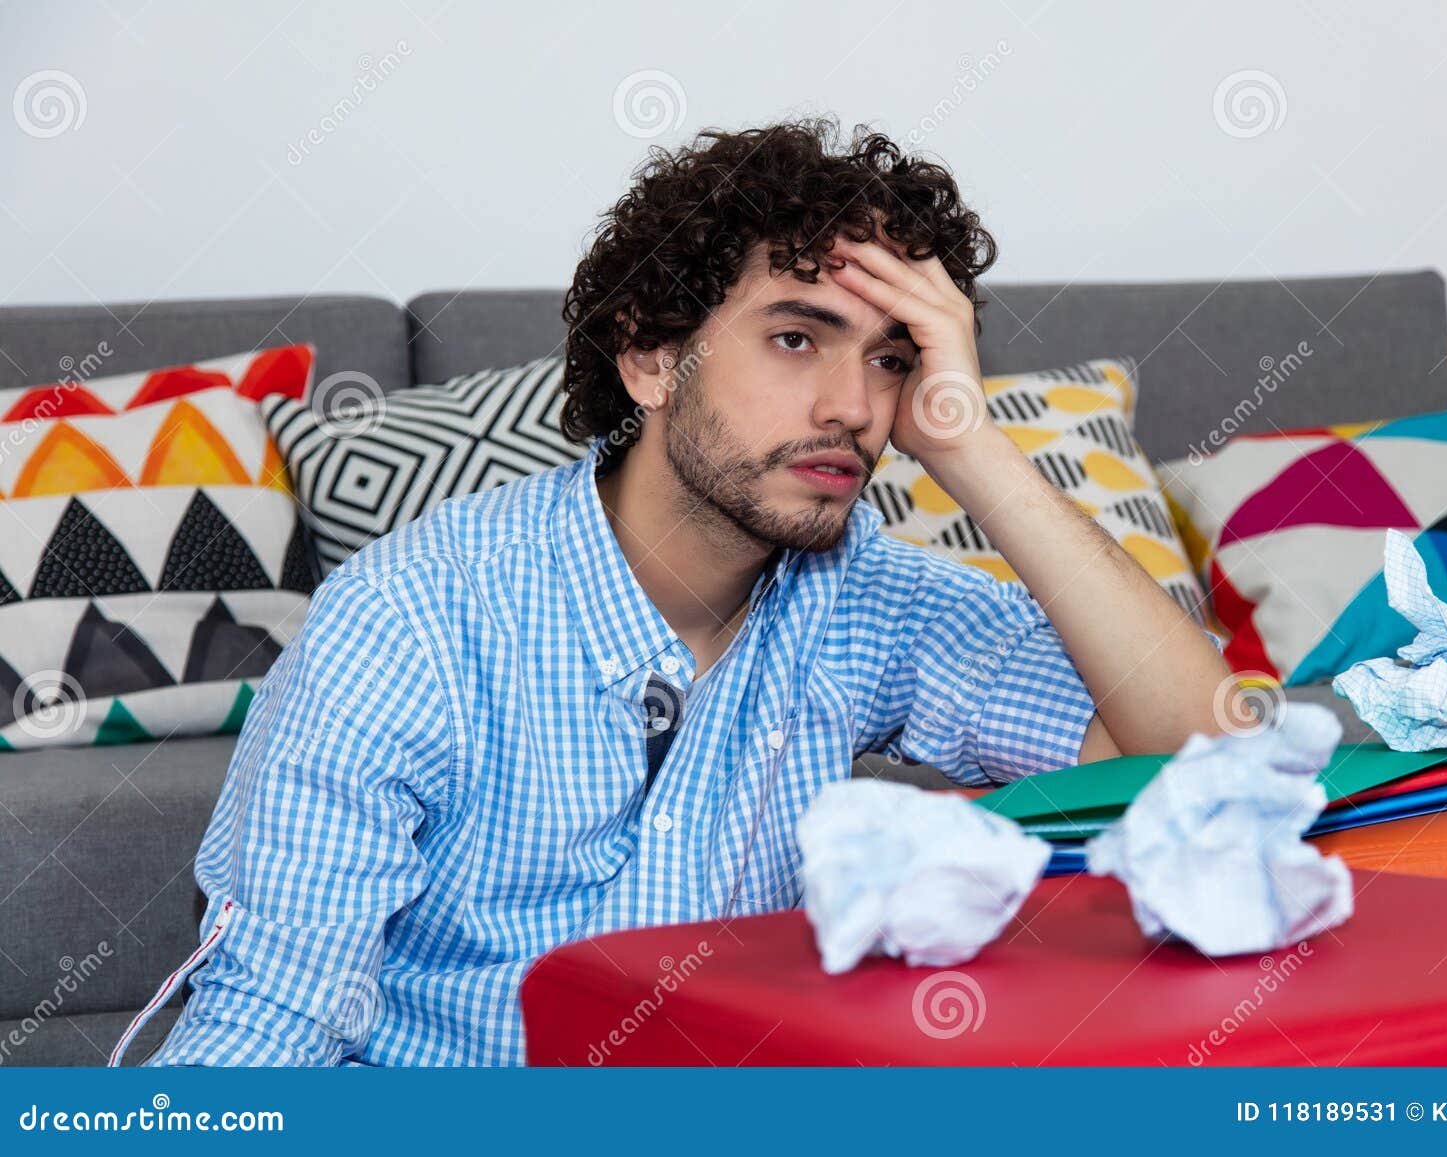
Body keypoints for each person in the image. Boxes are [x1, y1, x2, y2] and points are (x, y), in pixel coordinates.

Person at [127, 117, 1232, 1067]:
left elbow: (1201, 761)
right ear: (653, 360)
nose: (854, 405)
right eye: (797, 337)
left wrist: (971, 448)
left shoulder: (865, 597)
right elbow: (265, 1033)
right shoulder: (412, 619)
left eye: (893, 358)